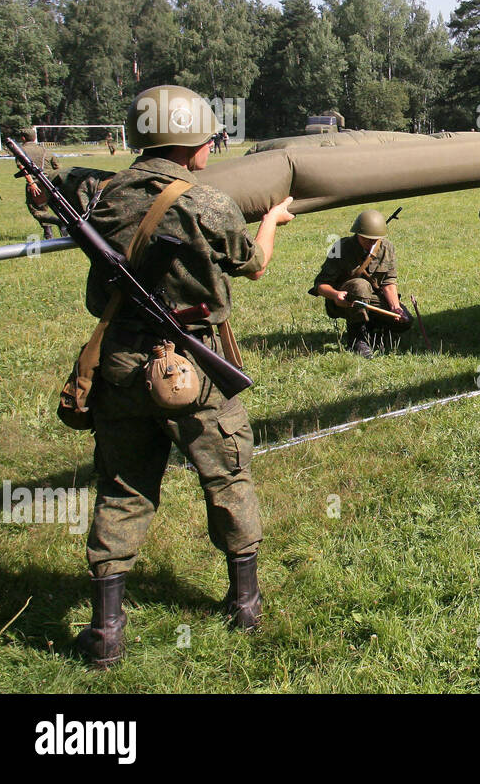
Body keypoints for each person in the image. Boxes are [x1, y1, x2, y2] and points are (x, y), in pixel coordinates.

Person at [74, 85, 295, 669]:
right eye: (207, 141)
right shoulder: (209, 203)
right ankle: (245, 604)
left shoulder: (105, 199)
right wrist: (273, 218)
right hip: (193, 363)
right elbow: (254, 265)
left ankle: (107, 630)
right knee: (228, 476)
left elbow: (71, 199)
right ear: (193, 145)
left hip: (121, 364)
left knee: (123, 487)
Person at [310, 209, 412, 357]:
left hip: (371, 299)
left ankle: (376, 331)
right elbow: (320, 284)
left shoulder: (386, 247)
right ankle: (357, 337)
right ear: (357, 234)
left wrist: (395, 307)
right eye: (367, 239)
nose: (371, 243)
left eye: (375, 240)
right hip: (343, 303)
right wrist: (335, 295)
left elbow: (389, 282)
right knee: (360, 286)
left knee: (404, 322)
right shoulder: (340, 247)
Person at [15, 125, 65, 240]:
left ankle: (58, 224)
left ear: (23, 138)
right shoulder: (45, 150)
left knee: (37, 211)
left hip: (36, 185)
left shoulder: (21, 151)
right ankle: (51, 234)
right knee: (53, 208)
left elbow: (22, 168)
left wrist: (31, 183)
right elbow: (57, 167)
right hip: (51, 183)